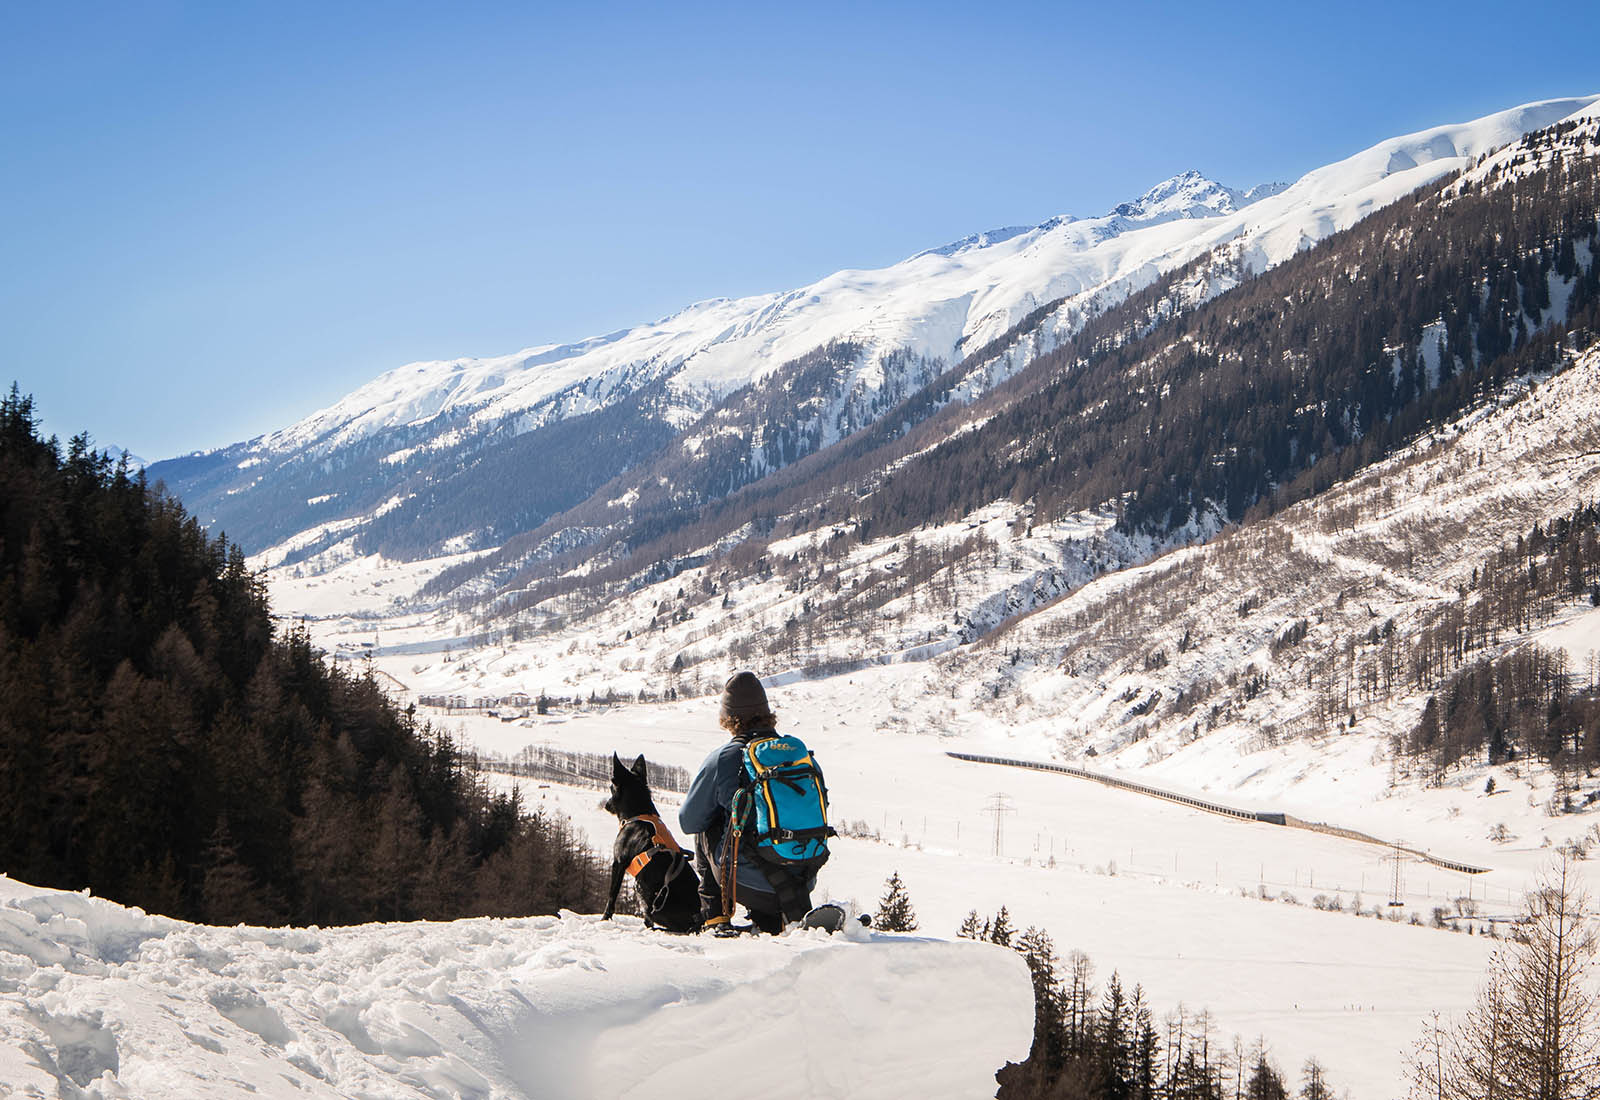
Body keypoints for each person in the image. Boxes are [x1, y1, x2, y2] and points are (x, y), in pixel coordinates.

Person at [679, 671, 816, 933]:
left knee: (706, 825)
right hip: (803, 877)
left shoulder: (725, 757)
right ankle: (770, 918)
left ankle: (715, 918)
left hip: (751, 885)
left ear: (728, 718)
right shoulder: (795, 753)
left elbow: (689, 821)